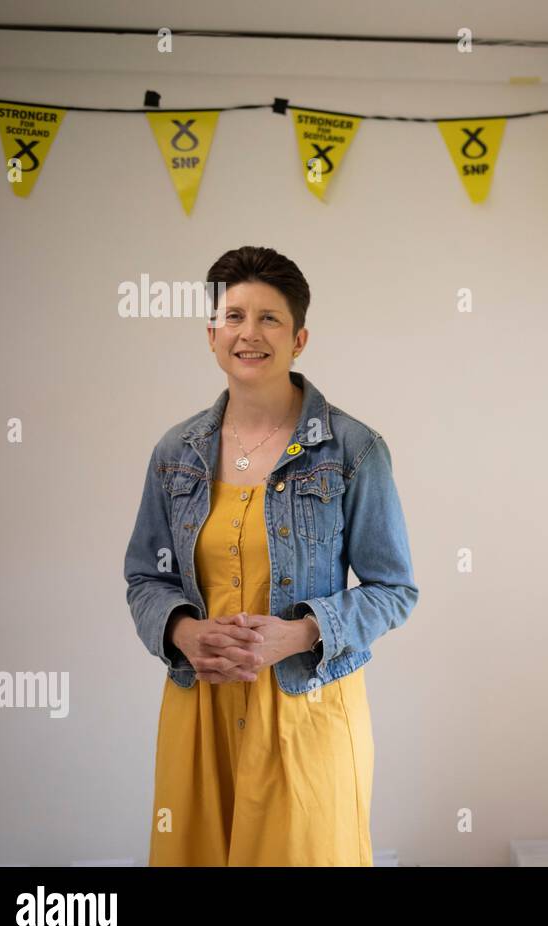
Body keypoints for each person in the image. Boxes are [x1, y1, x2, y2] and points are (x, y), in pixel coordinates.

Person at [123, 245, 418, 865]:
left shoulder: (354, 449)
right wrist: (181, 630)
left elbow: (394, 590)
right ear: (211, 334)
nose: (248, 333)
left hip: (304, 712)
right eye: (234, 317)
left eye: (269, 319)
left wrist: (302, 632)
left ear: (299, 337)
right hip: (199, 710)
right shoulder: (175, 451)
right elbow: (146, 576)